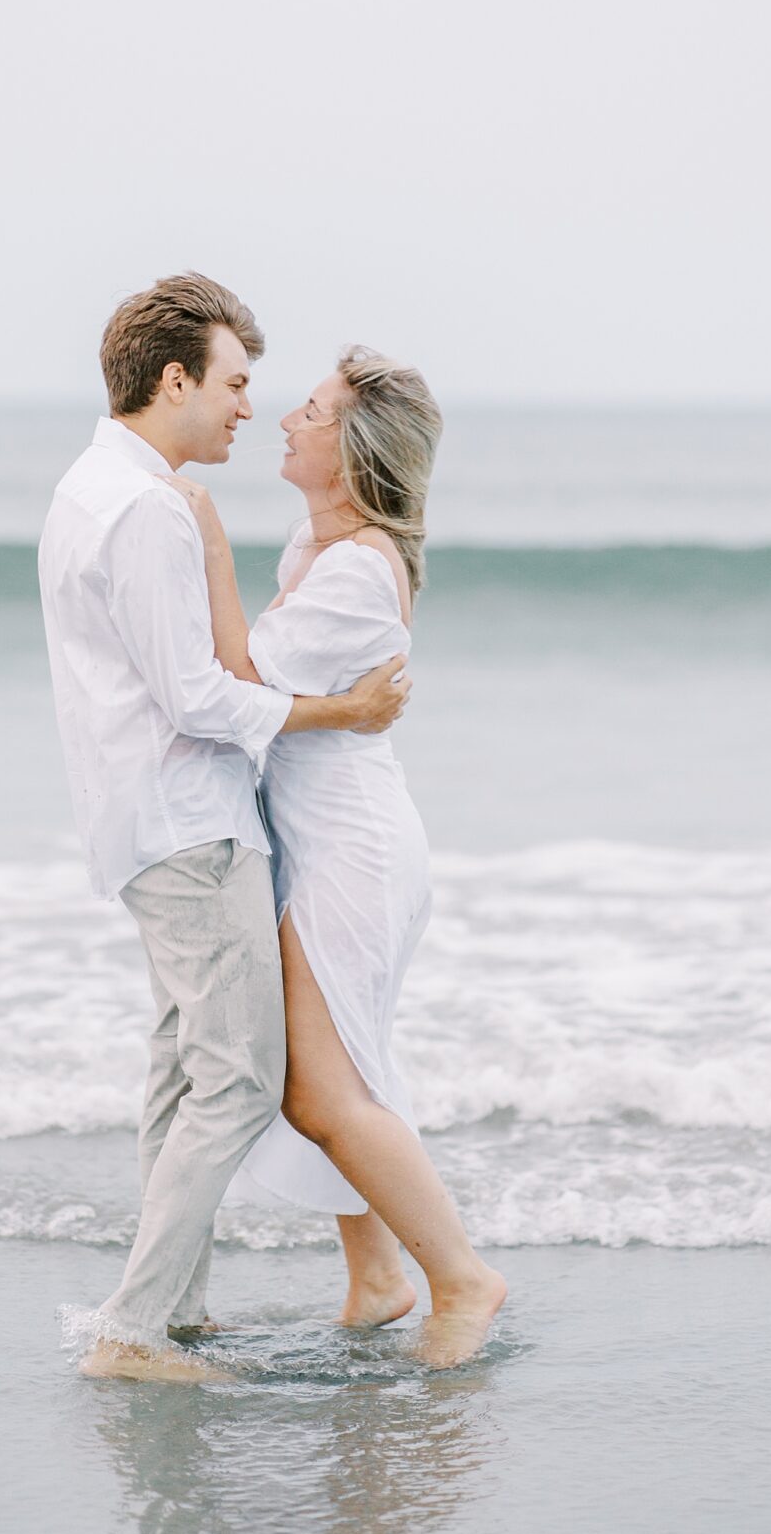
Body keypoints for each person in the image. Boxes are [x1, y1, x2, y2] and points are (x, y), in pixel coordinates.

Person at [38, 276, 411, 1384]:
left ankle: (171, 1310)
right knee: (240, 1076)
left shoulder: (88, 486)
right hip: (186, 821)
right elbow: (198, 697)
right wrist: (338, 710)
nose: (249, 406)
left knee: (182, 1072)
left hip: (141, 819)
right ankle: (135, 1330)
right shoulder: (144, 507)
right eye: (235, 382)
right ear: (175, 379)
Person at [161, 345, 507, 1369]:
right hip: (320, 837)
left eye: (309, 410)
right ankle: (375, 1276)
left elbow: (241, 680)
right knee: (350, 1062)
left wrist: (206, 547)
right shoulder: (318, 552)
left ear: (353, 449)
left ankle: (460, 1277)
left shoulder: (356, 568)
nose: (283, 419)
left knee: (320, 1090)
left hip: (350, 847)